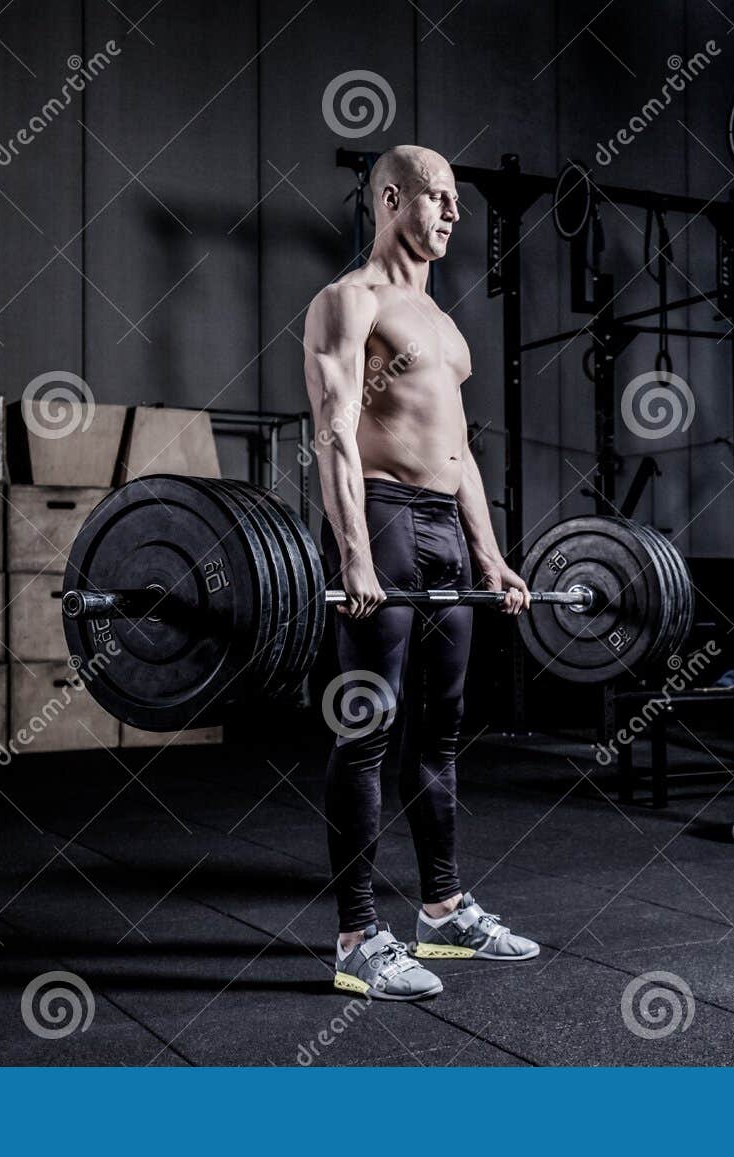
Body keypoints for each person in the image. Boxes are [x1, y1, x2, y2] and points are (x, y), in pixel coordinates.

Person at [302, 145, 541, 1001]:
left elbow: (460, 452)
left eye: (455, 201)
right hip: (383, 517)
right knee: (367, 729)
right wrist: (355, 550)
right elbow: (334, 430)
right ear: (391, 198)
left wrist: (492, 556)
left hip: (444, 530)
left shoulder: (443, 325)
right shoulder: (349, 300)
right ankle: (358, 939)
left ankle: (441, 911)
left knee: (441, 731)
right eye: (438, 197)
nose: (452, 213)